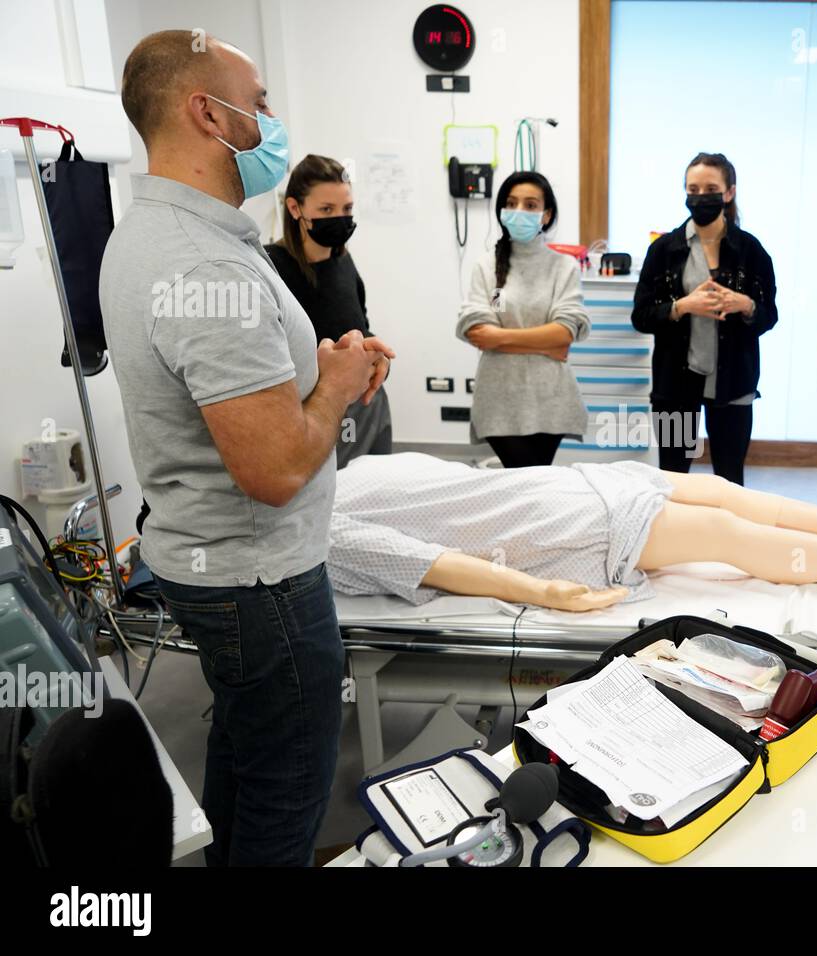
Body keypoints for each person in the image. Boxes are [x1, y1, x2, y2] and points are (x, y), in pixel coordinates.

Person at [101, 31, 392, 866]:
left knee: (245, 757)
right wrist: (334, 386)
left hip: (217, 572)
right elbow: (269, 471)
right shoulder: (202, 268)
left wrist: (332, 366)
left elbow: (251, 399)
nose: (271, 121)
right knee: (285, 793)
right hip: (260, 585)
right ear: (207, 113)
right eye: (259, 103)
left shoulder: (158, 235)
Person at [328, 454, 817, 609]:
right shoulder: (321, 531)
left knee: (719, 490)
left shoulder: (346, 469)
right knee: (722, 530)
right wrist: (544, 593)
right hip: (557, 528)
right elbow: (434, 561)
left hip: (563, 484)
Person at [631, 152, 778, 485]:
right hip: (674, 385)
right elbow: (641, 317)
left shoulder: (751, 251)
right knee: (673, 474)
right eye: (692, 189)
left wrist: (746, 305)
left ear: (729, 193)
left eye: (710, 188)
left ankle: (727, 536)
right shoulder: (664, 250)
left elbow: (769, 316)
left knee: (729, 476)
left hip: (734, 383)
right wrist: (681, 307)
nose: (700, 197)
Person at [456, 171, 589, 467]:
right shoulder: (486, 266)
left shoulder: (563, 267)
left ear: (546, 215)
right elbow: (477, 330)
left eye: (530, 205)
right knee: (524, 477)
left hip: (550, 399)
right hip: (498, 398)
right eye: (512, 203)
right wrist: (545, 344)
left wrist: (500, 338)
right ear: (501, 211)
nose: (520, 211)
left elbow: (566, 331)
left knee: (537, 482)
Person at [267, 154, 392, 467]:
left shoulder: (342, 260)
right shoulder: (272, 269)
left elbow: (356, 324)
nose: (340, 218)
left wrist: (376, 353)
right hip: (318, 412)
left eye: (347, 209)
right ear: (295, 208)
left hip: (367, 406)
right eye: (326, 210)